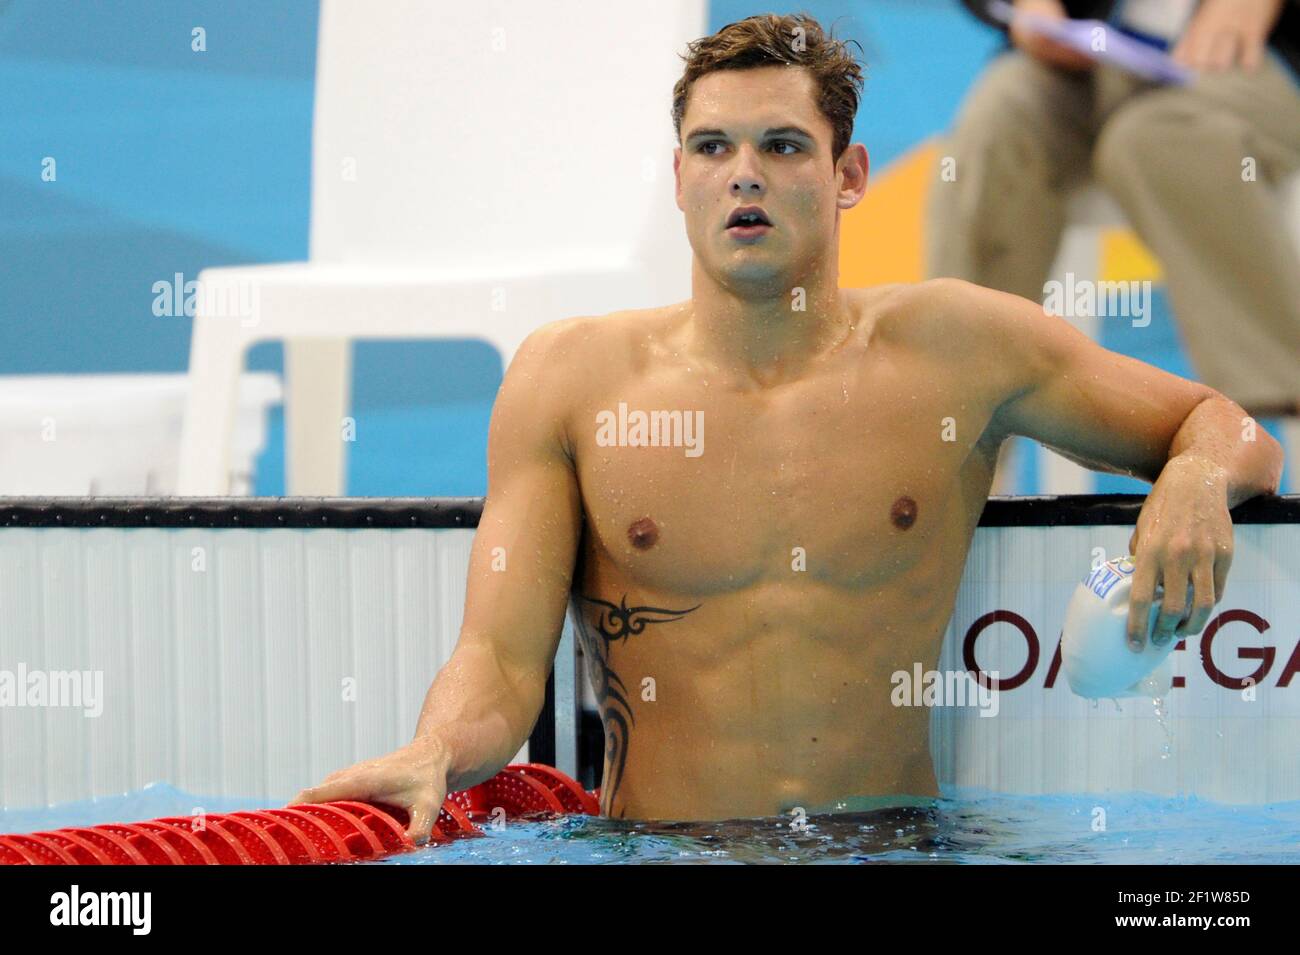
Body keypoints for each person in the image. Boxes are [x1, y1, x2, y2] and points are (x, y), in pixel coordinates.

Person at [294, 13, 1282, 840]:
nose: (743, 175)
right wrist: (435, 748)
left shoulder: (958, 348)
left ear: (848, 175)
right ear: (677, 176)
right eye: (712, 148)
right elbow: (502, 663)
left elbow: (1225, 424)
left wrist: (1194, 481)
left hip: (890, 848)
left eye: (782, 146)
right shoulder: (571, 379)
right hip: (657, 853)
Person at [930, 0, 1300, 420]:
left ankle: (1264, 402)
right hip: (1085, 49)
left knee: (1159, 138)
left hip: (1254, 52)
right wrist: (1029, 7)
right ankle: (959, 413)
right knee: (993, 131)